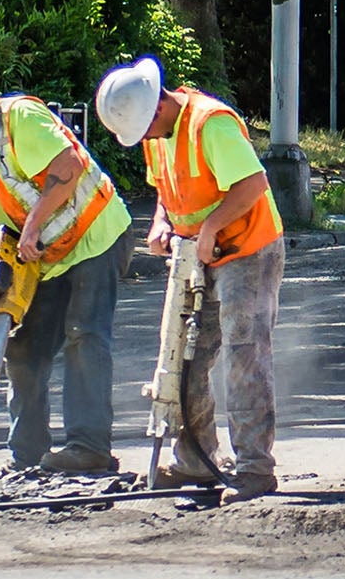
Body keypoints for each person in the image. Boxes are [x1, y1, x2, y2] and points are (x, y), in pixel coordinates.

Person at [0, 55, 130, 475]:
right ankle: (27, 456)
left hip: (95, 238)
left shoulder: (19, 118)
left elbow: (68, 166)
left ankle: (89, 449)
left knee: (84, 335)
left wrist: (32, 227)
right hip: (42, 258)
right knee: (23, 349)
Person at [95, 57, 284, 502]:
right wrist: (162, 222)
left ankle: (255, 469)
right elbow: (167, 190)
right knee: (186, 359)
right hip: (198, 254)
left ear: (158, 107)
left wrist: (211, 229)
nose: (144, 139)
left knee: (243, 355)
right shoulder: (156, 134)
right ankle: (196, 461)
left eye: (145, 131)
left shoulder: (209, 124)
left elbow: (253, 184)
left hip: (248, 251)